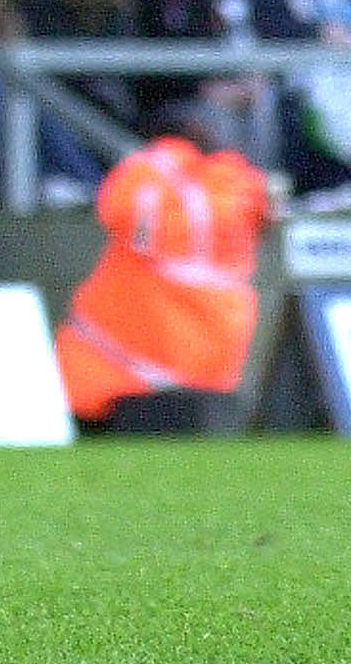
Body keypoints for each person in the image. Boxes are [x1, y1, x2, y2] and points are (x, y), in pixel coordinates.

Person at [52, 107, 272, 427]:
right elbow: (265, 221)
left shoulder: (147, 171)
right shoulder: (242, 184)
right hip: (218, 348)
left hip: (126, 360)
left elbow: (113, 209)